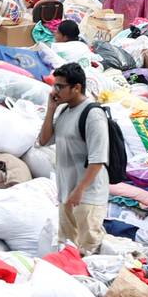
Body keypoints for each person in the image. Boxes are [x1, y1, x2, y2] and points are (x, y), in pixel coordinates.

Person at [36, 62, 110, 254]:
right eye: (54, 85)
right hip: (67, 192)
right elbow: (44, 141)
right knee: (67, 248)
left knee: (88, 249)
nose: (55, 91)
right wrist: (51, 108)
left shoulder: (92, 114)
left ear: (76, 88)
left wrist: (80, 189)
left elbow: (98, 159)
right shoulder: (64, 110)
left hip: (87, 195)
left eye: (60, 86)